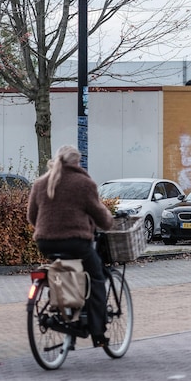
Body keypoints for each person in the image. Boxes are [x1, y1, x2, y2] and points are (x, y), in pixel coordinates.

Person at [27, 145, 115, 347]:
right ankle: (98, 332)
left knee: (60, 270)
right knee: (96, 277)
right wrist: (109, 221)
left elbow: (32, 217)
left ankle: (64, 310)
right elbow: (100, 217)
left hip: (45, 242)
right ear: (77, 162)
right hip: (76, 242)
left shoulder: (40, 183)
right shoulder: (84, 183)